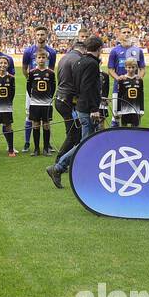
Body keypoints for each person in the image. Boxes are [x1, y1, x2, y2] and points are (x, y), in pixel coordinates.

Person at [47, 36, 105, 188]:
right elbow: (87, 87)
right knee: (85, 143)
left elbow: (80, 86)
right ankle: (59, 167)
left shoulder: (80, 61)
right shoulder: (92, 63)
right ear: (99, 49)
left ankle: (77, 168)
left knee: (86, 140)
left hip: (80, 105)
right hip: (87, 108)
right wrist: (94, 108)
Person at [21, 27, 57, 151]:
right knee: (29, 116)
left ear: (46, 35)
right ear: (35, 36)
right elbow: (24, 68)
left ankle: (48, 145)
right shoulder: (28, 51)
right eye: (38, 34)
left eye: (42, 34)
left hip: (46, 92)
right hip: (33, 90)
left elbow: (51, 71)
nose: (40, 36)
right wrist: (32, 83)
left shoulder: (52, 52)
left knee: (46, 119)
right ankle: (27, 143)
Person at [107, 28, 145, 128]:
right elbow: (110, 69)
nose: (127, 34)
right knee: (116, 115)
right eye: (124, 32)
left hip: (134, 89)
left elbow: (142, 69)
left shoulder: (138, 51)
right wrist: (118, 78)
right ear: (119, 34)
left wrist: (139, 77)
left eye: (129, 32)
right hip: (119, 88)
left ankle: (134, 140)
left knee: (135, 115)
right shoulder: (115, 51)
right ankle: (115, 140)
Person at [54, 37, 84, 154]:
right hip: (69, 101)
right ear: (83, 50)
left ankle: (70, 158)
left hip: (61, 99)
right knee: (74, 132)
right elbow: (79, 83)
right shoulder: (78, 59)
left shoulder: (64, 58)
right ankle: (60, 161)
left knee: (73, 131)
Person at [25, 49, 55, 154]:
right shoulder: (32, 72)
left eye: (43, 57)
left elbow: (53, 87)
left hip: (46, 103)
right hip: (35, 104)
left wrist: (49, 97)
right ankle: (36, 149)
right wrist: (33, 97)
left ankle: (46, 148)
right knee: (35, 125)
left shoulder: (50, 73)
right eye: (39, 57)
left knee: (46, 125)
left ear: (47, 59)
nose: (41, 59)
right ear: (35, 59)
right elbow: (28, 87)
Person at [115, 58, 145, 128]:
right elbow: (119, 96)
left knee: (136, 130)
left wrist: (142, 109)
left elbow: (141, 95)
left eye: (133, 67)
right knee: (123, 129)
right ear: (125, 67)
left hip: (136, 110)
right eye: (129, 67)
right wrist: (119, 110)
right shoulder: (122, 79)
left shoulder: (139, 80)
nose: (131, 69)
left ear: (136, 68)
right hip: (124, 110)